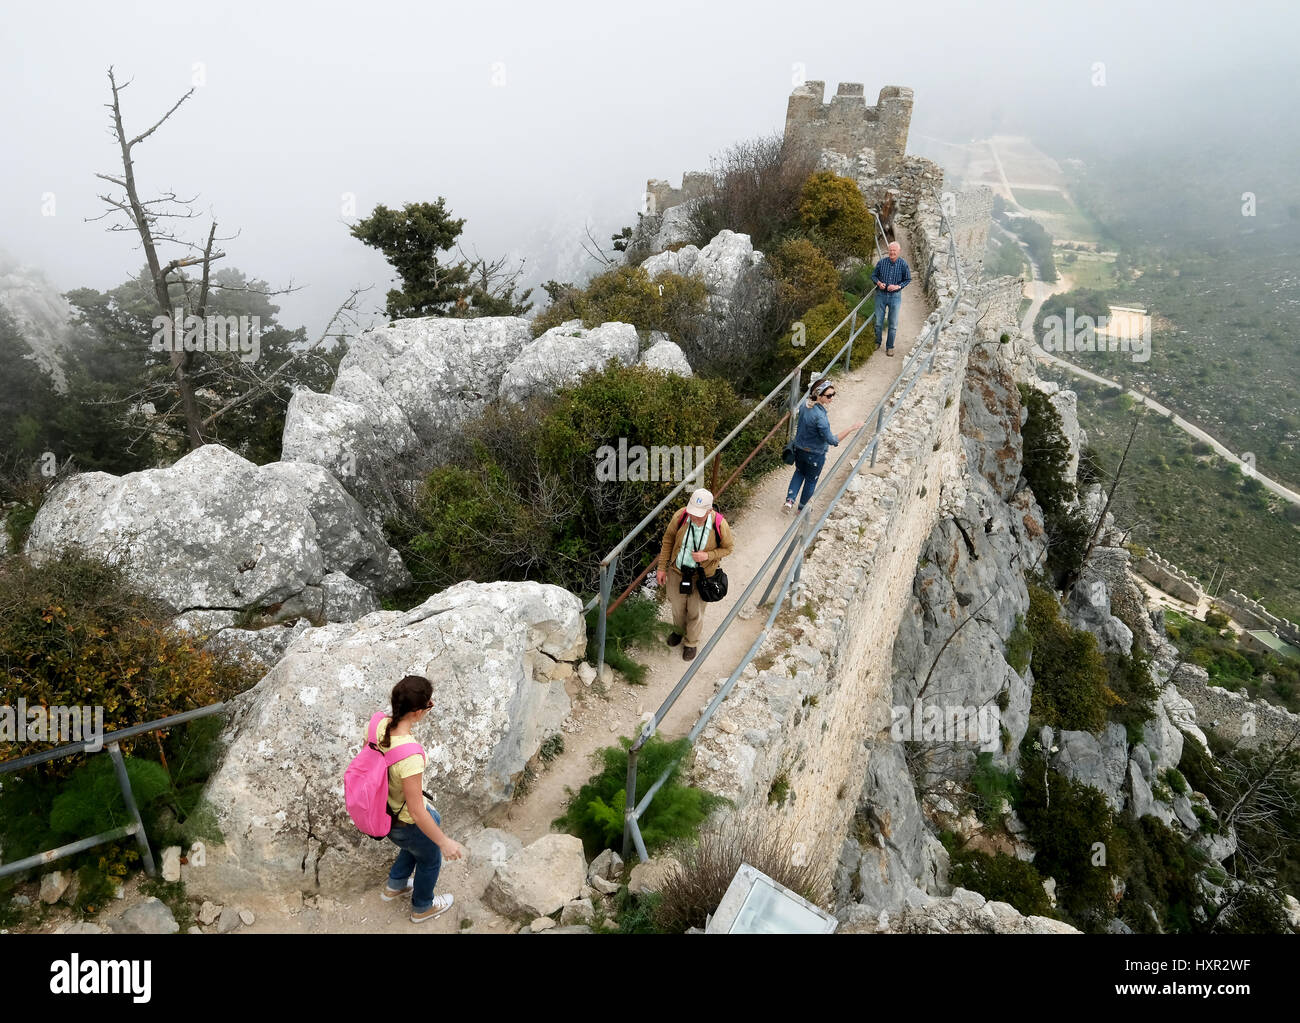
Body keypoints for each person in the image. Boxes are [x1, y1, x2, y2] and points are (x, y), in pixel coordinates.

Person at [374, 674, 465, 923]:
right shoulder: (410, 756)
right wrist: (444, 842)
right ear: (417, 712)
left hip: (387, 815)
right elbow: (416, 811)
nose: (429, 708)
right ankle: (422, 907)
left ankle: (396, 885)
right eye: (429, 704)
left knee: (414, 848)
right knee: (431, 858)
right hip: (407, 822)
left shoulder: (378, 725)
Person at [655, 487, 734, 662]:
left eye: (699, 514)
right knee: (677, 607)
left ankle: (691, 643)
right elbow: (668, 540)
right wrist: (661, 568)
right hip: (677, 572)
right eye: (693, 513)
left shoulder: (719, 524)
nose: (695, 517)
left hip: (702, 576)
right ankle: (678, 631)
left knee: (695, 611)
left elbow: (728, 548)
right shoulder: (681, 516)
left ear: (709, 510)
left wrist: (708, 555)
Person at [784, 378, 863, 513]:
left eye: (833, 394)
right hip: (815, 455)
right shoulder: (820, 418)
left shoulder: (804, 405)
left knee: (799, 472)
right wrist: (852, 428)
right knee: (811, 480)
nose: (832, 398)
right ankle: (802, 510)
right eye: (829, 395)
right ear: (819, 395)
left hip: (799, 449)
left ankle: (789, 500)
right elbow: (832, 440)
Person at [870, 241, 911, 356]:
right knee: (878, 322)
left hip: (895, 297)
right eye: (890, 250)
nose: (892, 252)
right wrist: (878, 283)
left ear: (899, 252)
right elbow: (873, 275)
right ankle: (877, 342)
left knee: (893, 324)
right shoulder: (882, 262)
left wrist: (898, 286)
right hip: (881, 295)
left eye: (894, 251)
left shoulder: (903, 264)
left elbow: (908, 279)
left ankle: (890, 347)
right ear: (888, 251)